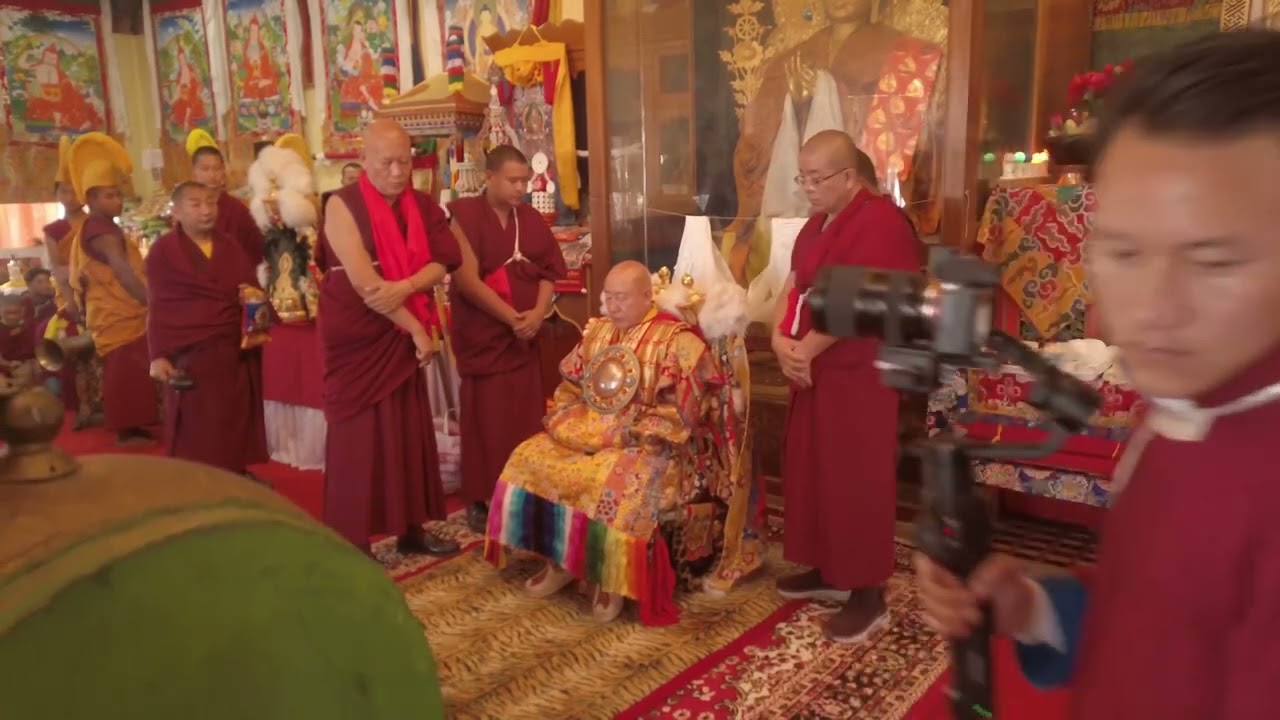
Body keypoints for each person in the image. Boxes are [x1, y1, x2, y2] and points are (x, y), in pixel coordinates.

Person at [916, 31, 1280, 719]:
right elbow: (1151, 616)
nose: (1155, 307)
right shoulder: (1188, 399)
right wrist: (1032, 607)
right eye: (1122, 251)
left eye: (1216, 261)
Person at [484, 261, 727, 624]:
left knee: (613, 483)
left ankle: (608, 574)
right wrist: (572, 420)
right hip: (586, 429)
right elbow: (570, 386)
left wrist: (635, 431)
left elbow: (690, 409)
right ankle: (559, 557)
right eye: (607, 297)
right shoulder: (596, 333)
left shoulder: (677, 341)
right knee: (529, 457)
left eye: (622, 298)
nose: (612, 306)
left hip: (644, 441)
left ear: (647, 296)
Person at [772, 130, 925, 642]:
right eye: (803, 177)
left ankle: (867, 592)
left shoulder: (881, 222)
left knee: (855, 474)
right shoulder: (819, 223)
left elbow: (874, 301)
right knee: (813, 467)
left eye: (817, 179)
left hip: (859, 369)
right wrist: (779, 340)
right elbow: (795, 285)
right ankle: (825, 567)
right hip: (811, 367)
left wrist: (807, 348)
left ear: (848, 176)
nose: (808, 188)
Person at [318, 119, 461, 557]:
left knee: (408, 430)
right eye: (387, 163)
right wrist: (417, 328)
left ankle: (411, 529)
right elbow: (367, 286)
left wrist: (407, 286)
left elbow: (444, 261)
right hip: (360, 336)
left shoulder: (421, 204)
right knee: (358, 439)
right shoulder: (341, 205)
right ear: (363, 160)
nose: (398, 171)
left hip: (400, 328)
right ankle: (353, 541)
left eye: (405, 161)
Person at [448, 145, 567, 532]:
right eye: (513, 180)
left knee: (522, 416)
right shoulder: (464, 216)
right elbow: (465, 280)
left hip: (523, 340)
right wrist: (510, 318)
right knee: (484, 419)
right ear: (490, 177)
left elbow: (550, 271)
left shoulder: (530, 218)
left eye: (525, 181)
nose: (521, 188)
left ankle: (523, 489)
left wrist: (537, 314)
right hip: (484, 336)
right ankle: (481, 498)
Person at [145, 181, 268, 475]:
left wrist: (249, 298)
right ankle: (197, 481)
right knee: (197, 427)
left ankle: (234, 473)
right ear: (177, 211)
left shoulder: (230, 246)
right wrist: (158, 354)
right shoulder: (164, 252)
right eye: (195, 204)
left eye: (210, 203)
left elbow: (253, 293)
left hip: (232, 352)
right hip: (190, 356)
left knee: (234, 420)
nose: (205, 211)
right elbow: (159, 306)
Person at [67, 132, 158, 446]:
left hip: (123, 309)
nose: (116, 201)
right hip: (118, 311)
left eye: (117, 195)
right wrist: (148, 299)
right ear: (90, 200)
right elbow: (120, 268)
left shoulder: (104, 226)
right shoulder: (100, 230)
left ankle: (135, 424)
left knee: (132, 368)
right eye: (107, 196)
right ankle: (126, 429)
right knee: (124, 368)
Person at [191, 144, 266, 267]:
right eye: (205, 169)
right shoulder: (187, 210)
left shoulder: (238, 211)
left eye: (217, 168)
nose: (212, 175)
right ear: (194, 172)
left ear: (223, 171)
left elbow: (256, 254)